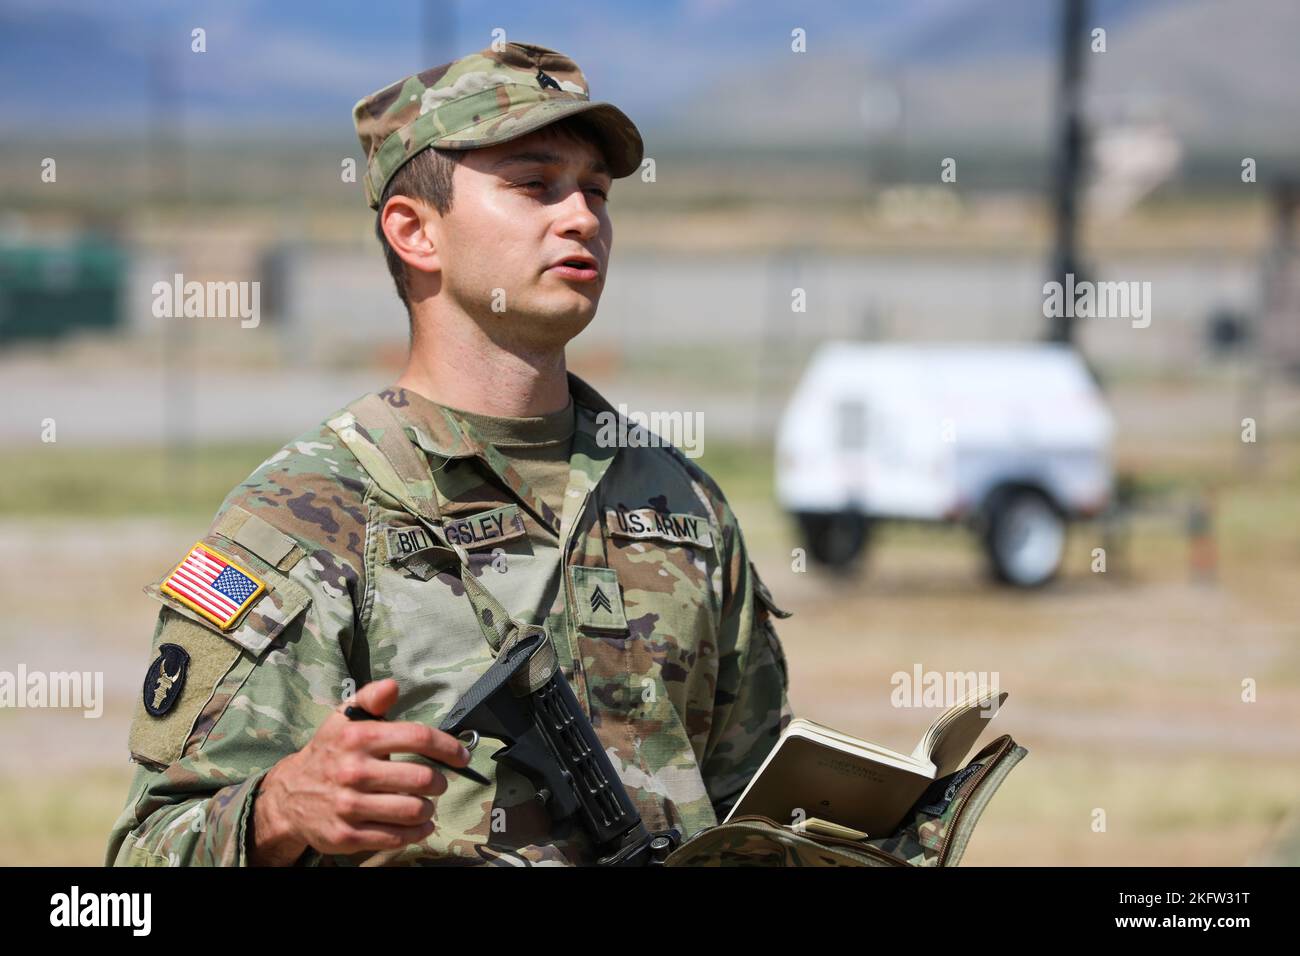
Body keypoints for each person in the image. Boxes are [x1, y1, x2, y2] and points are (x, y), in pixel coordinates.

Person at [106, 40, 792, 867]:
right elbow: (143, 858)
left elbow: (756, 814)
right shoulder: (307, 514)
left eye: (596, 192)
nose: (582, 218)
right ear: (414, 232)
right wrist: (278, 810)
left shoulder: (682, 502)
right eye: (534, 185)